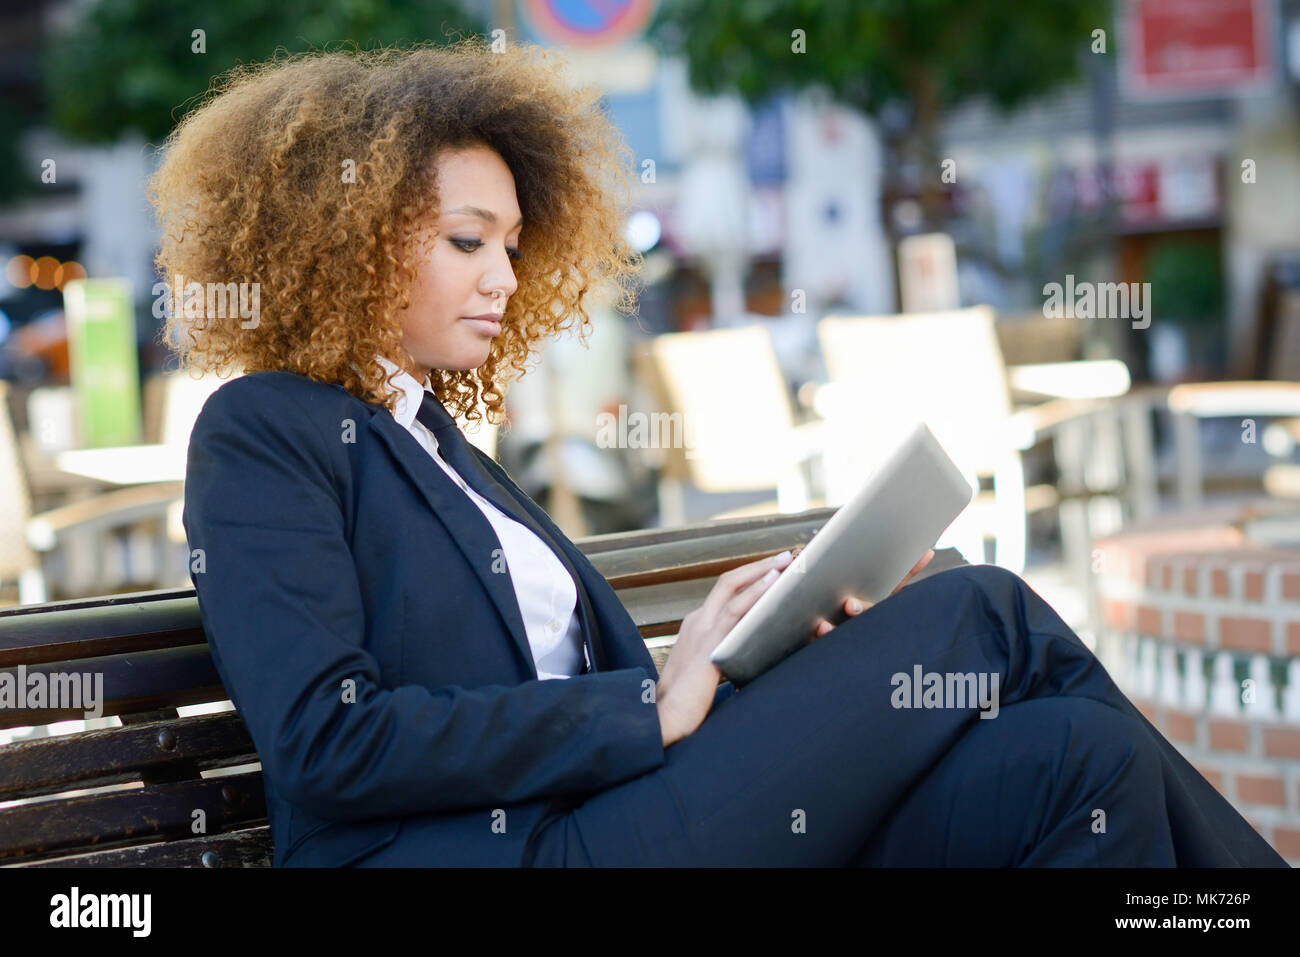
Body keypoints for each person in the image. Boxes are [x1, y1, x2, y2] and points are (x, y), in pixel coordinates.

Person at [155, 41, 1287, 868]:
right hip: (504, 853)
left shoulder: (437, 441)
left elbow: (543, 676)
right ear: (343, 241)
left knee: (1081, 763)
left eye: (512, 244)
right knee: (981, 611)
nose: (503, 277)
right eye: (466, 242)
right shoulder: (264, 430)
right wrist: (645, 707)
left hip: (618, 813)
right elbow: (327, 742)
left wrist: (731, 652)